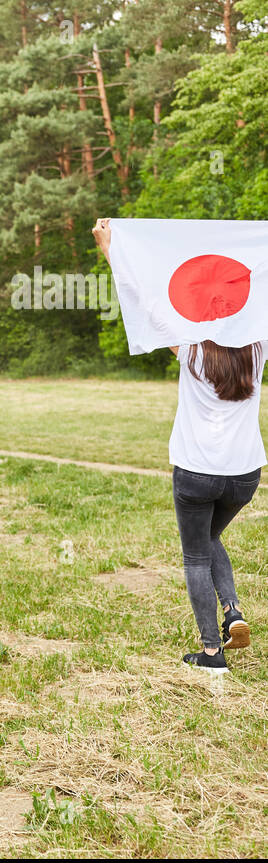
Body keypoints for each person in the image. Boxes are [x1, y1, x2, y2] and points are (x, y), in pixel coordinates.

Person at [95, 217, 262, 675]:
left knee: (195, 554)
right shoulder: (258, 349)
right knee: (209, 538)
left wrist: (112, 251)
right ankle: (233, 613)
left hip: (195, 471)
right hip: (245, 474)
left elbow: (146, 303)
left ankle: (212, 653)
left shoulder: (190, 349)